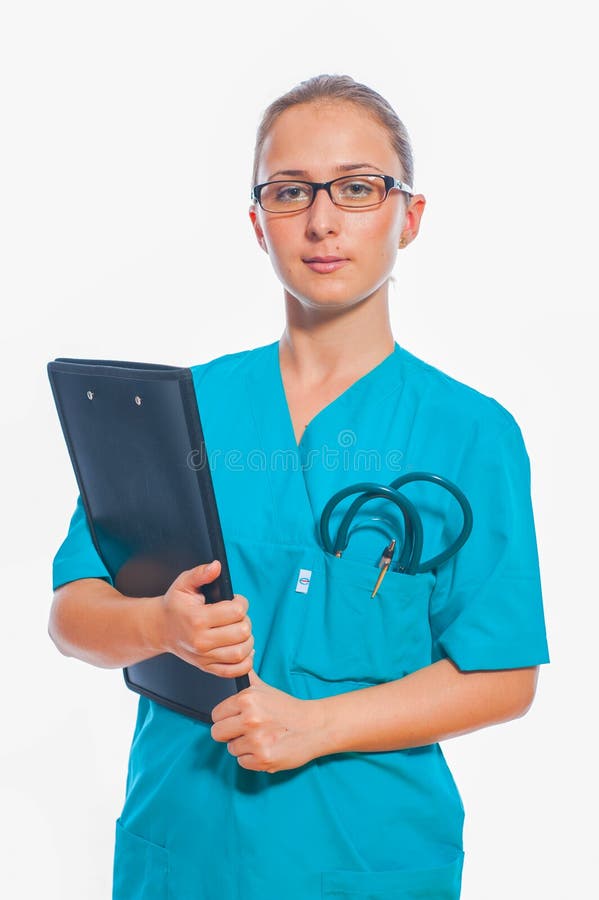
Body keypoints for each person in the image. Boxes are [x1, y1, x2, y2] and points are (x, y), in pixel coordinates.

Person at [49, 74, 550, 900]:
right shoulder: (182, 411)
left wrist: (317, 725)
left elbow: (502, 675)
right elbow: (72, 617)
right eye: (290, 192)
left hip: (367, 861)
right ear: (258, 223)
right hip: (183, 855)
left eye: (356, 188)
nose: (321, 220)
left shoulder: (468, 433)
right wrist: (158, 625)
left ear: (408, 216)